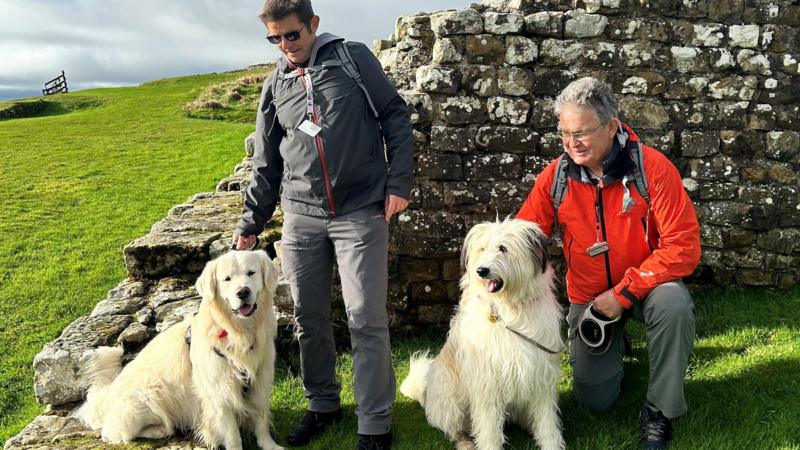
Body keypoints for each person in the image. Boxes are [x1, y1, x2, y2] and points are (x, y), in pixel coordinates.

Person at [232, 1, 413, 449]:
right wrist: (251, 221)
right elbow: (266, 160)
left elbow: (394, 115)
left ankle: (374, 424)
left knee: (365, 319)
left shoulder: (352, 59)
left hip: (360, 210)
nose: (285, 46)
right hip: (301, 216)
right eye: (274, 39)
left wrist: (399, 181)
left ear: (313, 24)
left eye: (291, 35)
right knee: (309, 319)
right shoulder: (275, 83)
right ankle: (323, 404)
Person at [517, 77, 701, 450]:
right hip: (589, 296)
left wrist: (623, 294)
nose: (572, 143)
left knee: (674, 304)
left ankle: (660, 410)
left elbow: (683, 246)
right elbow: (525, 236)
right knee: (594, 401)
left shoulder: (653, 168)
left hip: (648, 287)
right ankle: (616, 345)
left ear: (612, 126)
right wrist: (493, 267)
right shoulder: (555, 177)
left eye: (582, 132)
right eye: (564, 134)